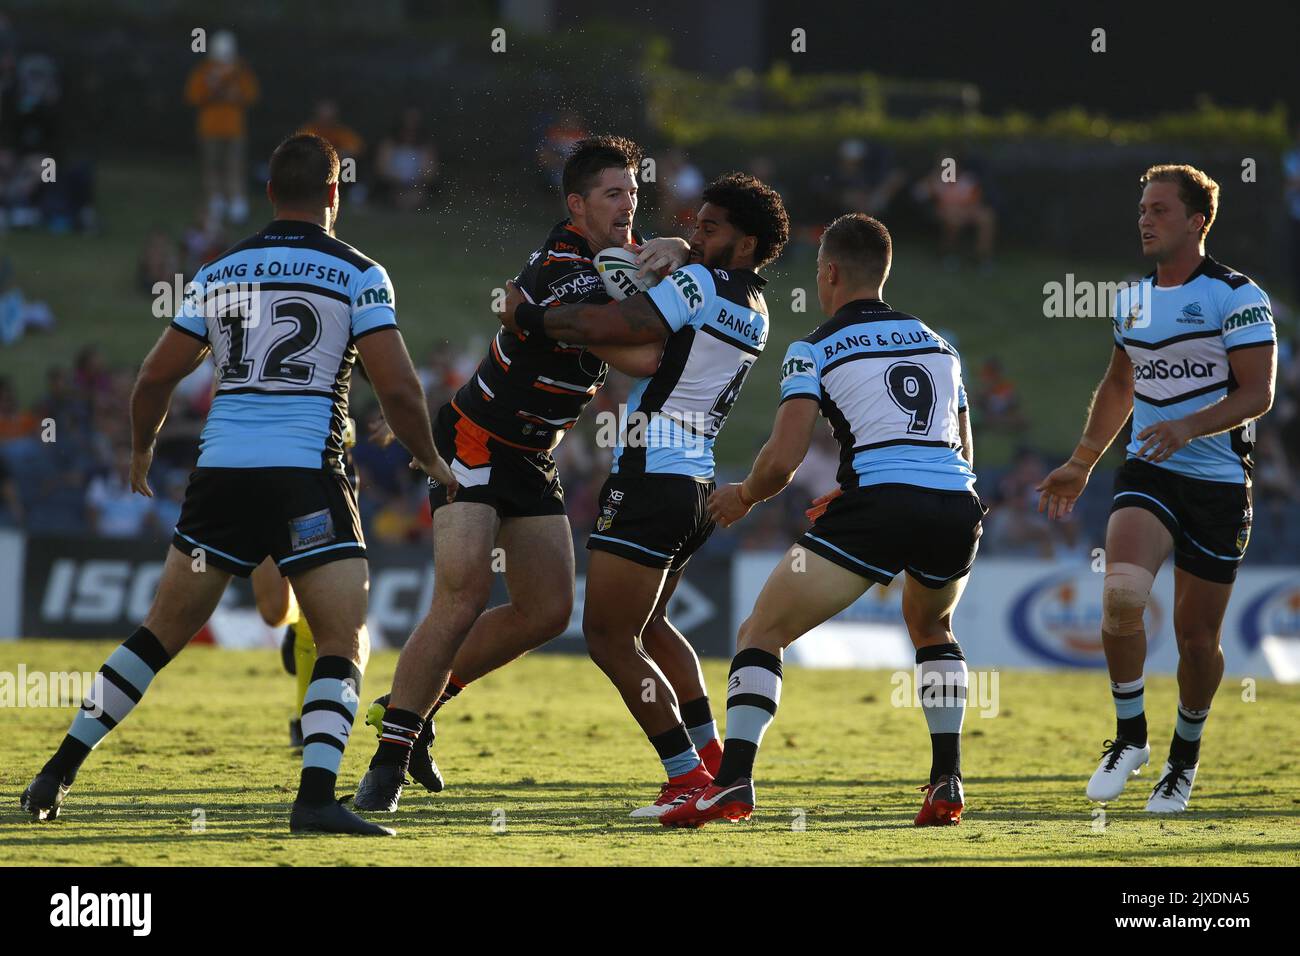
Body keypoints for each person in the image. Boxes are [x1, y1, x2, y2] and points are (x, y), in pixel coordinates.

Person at [21, 133, 455, 836]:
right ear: (336, 192)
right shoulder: (360, 272)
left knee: (157, 635)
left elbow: (155, 376)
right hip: (305, 475)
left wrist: (140, 452)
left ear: (267, 195)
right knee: (343, 638)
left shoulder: (218, 270)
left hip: (220, 474)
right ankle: (315, 798)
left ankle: (58, 770)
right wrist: (429, 457)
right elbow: (399, 386)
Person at [353, 135, 690, 810]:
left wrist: (678, 250)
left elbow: (654, 318)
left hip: (532, 455)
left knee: (546, 611)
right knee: (464, 595)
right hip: (476, 439)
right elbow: (624, 346)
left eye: (631, 192)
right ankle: (386, 763)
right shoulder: (562, 261)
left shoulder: (629, 254)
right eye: (611, 194)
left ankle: (414, 709)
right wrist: (652, 294)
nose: (627, 205)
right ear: (577, 205)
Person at [660, 213, 984, 828]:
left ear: (830, 271)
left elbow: (784, 458)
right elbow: (958, 449)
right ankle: (947, 779)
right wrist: (861, 487)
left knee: (760, 631)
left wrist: (745, 496)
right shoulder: (942, 346)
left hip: (881, 507)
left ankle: (733, 784)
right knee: (932, 628)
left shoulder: (813, 347)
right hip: (955, 504)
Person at [499, 172, 789, 818]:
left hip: (653, 474)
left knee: (606, 636)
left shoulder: (702, 282)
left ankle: (685, 774)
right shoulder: (757, 307)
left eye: (710, 228)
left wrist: (529, 317)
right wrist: (678, 253)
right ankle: (714, 761)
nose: (696, 234)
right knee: (652, 626)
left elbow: (620, 323)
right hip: (696, 482)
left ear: (744, 244)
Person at [1037, 164, 1276, 813]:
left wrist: (1189, 425)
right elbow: (1120, 384)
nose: (1146, 219)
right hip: (1148, 472)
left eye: (1161, 210)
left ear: (1198, 221)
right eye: (1143, 209)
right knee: (1120, 596)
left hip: (1221, 484)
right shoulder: (1132, 299)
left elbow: (1258, 392)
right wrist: (1084, 461)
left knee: (1198, 641)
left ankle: (1184, 760)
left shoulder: (1238, 296)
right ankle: (1130, 737)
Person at [184, 30, 259, 224]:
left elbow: (251, 95)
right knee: (212, 166)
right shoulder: (204, 70)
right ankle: (215, 202)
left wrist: (235, 95)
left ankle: (237, 205)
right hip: (209, 129)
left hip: (234, 129)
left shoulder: (241, 71)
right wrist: (212, 90)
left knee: (234, 166)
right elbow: (193, 96)